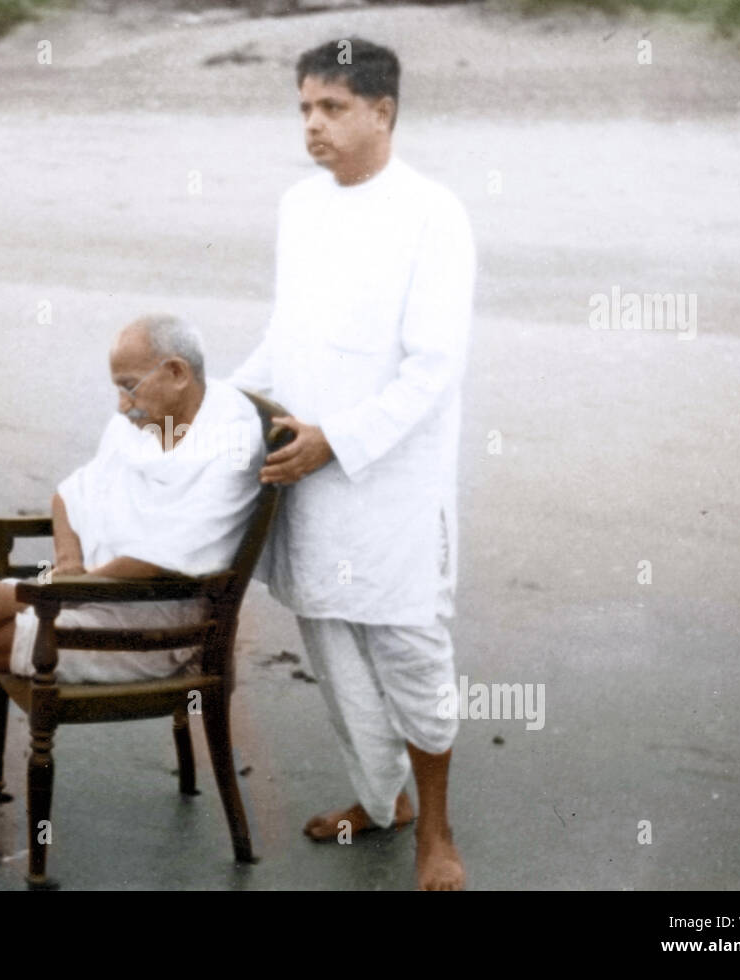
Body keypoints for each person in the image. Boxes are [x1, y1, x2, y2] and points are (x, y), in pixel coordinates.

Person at [0, 314, 265, 891]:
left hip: (153, 633)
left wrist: (59, 588)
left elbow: (164, 558)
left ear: (176, 371)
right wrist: (67, 562)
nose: (122, 406)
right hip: (94, 601)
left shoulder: (230, 438)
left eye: (129, 385)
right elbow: (72, 494)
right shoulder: (146, 421)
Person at [228, 38, 476, 890]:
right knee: (331, 648)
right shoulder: (300, 208)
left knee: (410, 651)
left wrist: (337, 438)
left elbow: (432, 368)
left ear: (384, 112)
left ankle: (434, 833)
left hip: (392, 485)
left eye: (331, 108)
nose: (313, 125)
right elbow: (286, 337)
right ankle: (380, 802)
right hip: (309, 482)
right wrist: (221, 406)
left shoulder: (432, 213)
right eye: (303, 108)